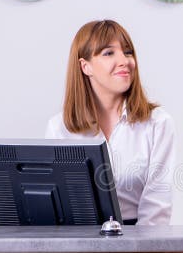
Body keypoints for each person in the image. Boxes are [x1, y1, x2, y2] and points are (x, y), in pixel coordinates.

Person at [46, 19, 175, 225]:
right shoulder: (59, 127)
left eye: (128, 52)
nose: (124, 61)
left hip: (139, 242)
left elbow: (156, 209)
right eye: (108, 53)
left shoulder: (157, 123)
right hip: (78, 240)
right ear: (85, 66)